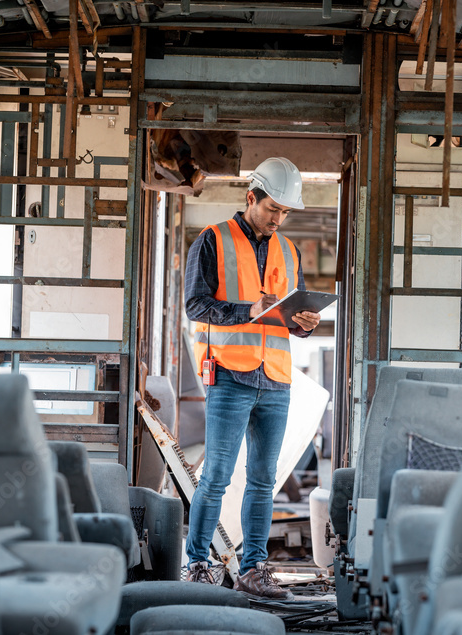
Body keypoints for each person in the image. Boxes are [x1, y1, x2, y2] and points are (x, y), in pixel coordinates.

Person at [183, 156, 321, 600]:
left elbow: (287, 318)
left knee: (264, 480)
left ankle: (253, 568)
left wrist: (303, 323)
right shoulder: (212, 240)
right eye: (272, 209)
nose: (278, 219)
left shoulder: (288, 250)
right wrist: (249, 311)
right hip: (229, 375)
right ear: (251, 198)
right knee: (217, 477)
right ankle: (199, 565)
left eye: (285, 212)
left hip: (277, 378)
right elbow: (196, 306)